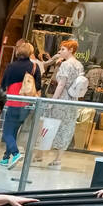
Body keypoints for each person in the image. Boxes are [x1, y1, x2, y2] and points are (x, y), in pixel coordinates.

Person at [38, 39, 84, 169]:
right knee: (66, 127)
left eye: (63, 49)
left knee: (50, 125)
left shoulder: (66, 65)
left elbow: (61, 84)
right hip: (72, 100)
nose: (60, 51)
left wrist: (53, 100)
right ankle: (58, 158)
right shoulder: (79, 64)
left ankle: (40, 153)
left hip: (62, 99)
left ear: (71, 50)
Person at [0, 41, 42, 168]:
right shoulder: (34, 67)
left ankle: (16, 153)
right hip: (26, 103)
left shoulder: (11, 66)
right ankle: (5, 158)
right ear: (30, 52)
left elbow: (3, 85)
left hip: (12, 102)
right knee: (14, 131)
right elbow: (38, 86)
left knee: (7, 132)